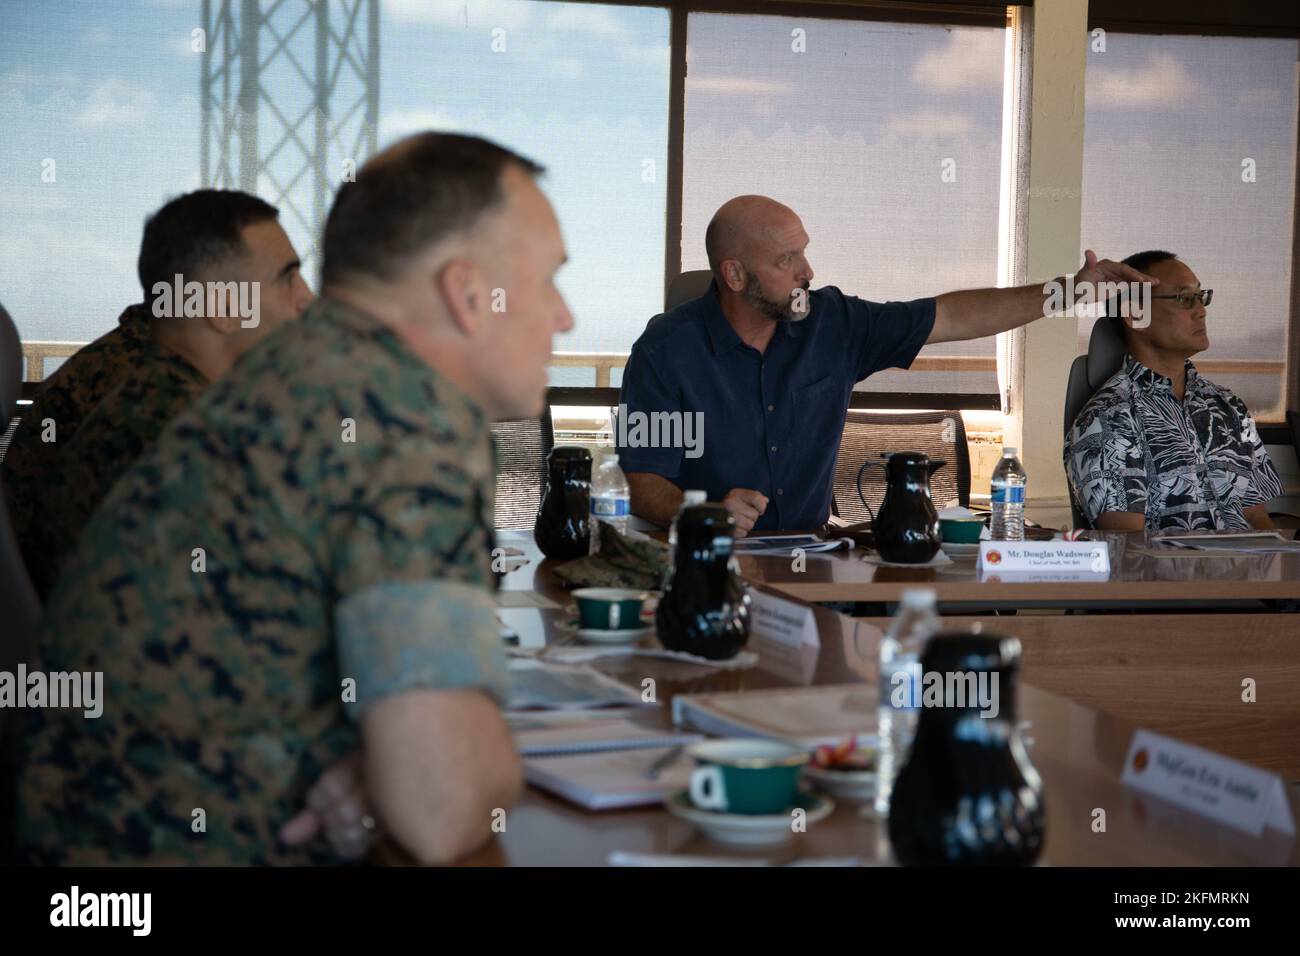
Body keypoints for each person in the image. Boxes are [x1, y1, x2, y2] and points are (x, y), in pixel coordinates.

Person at [18, 132, 572, 864]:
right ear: (468, 294)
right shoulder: (395, 412)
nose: (563, 317)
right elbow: (447, 808)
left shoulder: (301, 375)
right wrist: (436, 759)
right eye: (549, 281)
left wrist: (375, 763)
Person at [617, 194, 1149, 534]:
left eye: (804, 252)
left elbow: (955, 315)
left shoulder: (833, 323)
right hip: (706, 565)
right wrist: (704, 514)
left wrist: (1070, 292)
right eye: (786, 261)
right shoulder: (665, 353)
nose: (808, 270)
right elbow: (643, 485)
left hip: (815, 562)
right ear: (733, 275)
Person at [20, 189, 314, 599]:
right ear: (225, 309)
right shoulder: (183, 443)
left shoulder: (159, 406)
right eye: (287, 278)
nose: (308, 298)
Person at [1064, 250, 1280, 532]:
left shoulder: (1229, 407)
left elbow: (1256, 518)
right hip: (1169, 575)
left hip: (1250, 570)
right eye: (1184, 298)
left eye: (1201, 297)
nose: (1201, 310)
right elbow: (1127, 548)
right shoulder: (1107, 418)